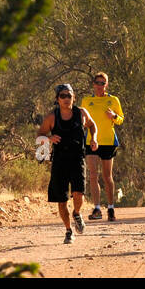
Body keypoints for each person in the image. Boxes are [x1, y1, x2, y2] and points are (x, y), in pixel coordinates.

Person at [38, 83, 98, 243]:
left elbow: (93, 126)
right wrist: (49, 139)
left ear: (74, 97)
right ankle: (68, 230)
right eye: (62, 96)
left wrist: (94, 138)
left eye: (69, 96)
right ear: (57, 99)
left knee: (79, 193)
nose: (66, 99)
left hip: (77, 158)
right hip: (59, 161)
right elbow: (40, 134)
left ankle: (77, 213)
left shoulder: (81, 113)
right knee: (62, 199)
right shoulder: (52, 117)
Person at [81, 71, 124, 221]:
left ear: (106, 85)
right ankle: (97, 208)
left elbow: (120, 119)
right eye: (97, 83)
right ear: (93, 84)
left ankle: (111, 208)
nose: (100, 86)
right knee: (93, 175)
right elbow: (82, 120)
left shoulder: (113, 100)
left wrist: (113, 116)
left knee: (107, 176)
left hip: (108, 141)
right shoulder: (86, 101)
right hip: (91, 141)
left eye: (102, 83)